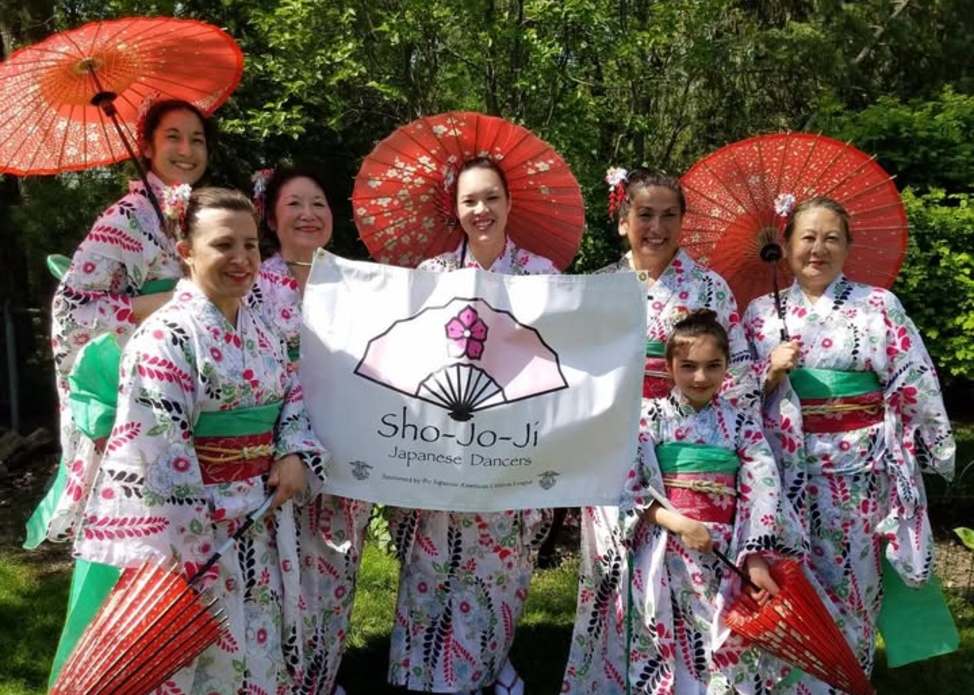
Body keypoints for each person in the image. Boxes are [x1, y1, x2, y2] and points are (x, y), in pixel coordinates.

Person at [72, 187, 329, 693]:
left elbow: (291, 396)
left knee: (263, 657)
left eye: (252, 246)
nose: (242, 259)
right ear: (186, 251)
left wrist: (293, 451)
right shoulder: (165, 337)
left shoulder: (263, 328)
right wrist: (199, 541)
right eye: (223, 245)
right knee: (202, 665)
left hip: (264, 521)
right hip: (200, 541)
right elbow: (157, 454)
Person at [29, 98, 215, 682]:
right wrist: (161, 301)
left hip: (188, 397)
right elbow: (72, 309)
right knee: (138, 541)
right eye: (173, 138)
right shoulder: (127, 218)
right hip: (136, 401)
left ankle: (175, 669)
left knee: (183, 545)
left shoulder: (186, 214)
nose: (187, 151)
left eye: (197, 139)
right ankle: (109, 673)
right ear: (148, 145)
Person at [743, 196, 956, 689]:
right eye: (807, 238)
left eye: (831, 238)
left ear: (848, 246)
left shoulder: (878, 306)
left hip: (859, 475)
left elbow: (913, 380)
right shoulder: (758, 314)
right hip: (784, 475)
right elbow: (731, 395)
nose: (818, 250)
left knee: (854, 587)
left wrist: (931, 446)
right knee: (789, 585)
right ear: (788, 244)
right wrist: (769, 371)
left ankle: (848, 681)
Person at [563, 311, 802, 694]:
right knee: (662, 637)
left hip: (725, 548)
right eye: (688, 366)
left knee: (721, 638)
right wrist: (678, 522)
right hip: (660, 548)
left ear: (728, 367)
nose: (700, 378)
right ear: (669, 366)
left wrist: (755, 556)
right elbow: (627, 488)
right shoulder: (647, 419)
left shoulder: (741, 423)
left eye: (713, 366)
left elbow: (763, 488)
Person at [387, 157, 556, 695]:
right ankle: (425, 676)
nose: (480, 210)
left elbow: (561, 360)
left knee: (497, 574)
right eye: (469, 200)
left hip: (509, 444)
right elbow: (407, 358)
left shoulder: (542, 274)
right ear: (454, 208)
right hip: (441, 446)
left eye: (490, 198)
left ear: (508, 203)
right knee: (430, 568)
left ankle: (485, 670)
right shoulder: (432, 276)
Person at [248, 165, 372, 694]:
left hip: (348, 445)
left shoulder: (359, 283)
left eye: (318, 203)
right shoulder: (254, 283)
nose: (308, 214)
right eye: (294, 203)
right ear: (271, 217)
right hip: (279, 454)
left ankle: (321, 676)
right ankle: (281, 680)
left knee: (336, 570)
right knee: (279, 575)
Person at [600, 168, 758, 409]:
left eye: (669, 215)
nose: (657, 227)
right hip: (613, 419)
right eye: (645, 215)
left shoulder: (709, 286)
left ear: (682, 221)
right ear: (623, 223)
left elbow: (737, 368)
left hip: (686, 430)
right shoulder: (599, 286)